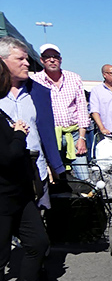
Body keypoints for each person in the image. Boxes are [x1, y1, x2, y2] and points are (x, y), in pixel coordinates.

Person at [0, 58, 60, 281]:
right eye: (20, 59)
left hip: (21, 190)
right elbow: (10, 154)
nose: (27, 64)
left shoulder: (31, 95)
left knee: (38, 241)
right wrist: (18, 135)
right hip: (2, 194)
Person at [0, 37, 65, 210]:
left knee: (37, 229)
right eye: (20, 59)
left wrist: (53, 165)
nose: (27, 63)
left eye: (27, 59)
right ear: (2, 61)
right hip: (5, 176)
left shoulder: (39, 93)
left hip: (37, 172)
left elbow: (47, 133)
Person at [31, 43, 90, 180]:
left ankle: (86, 199)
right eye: (47, 57)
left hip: (74, 134)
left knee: (84, 176)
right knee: (55, 176)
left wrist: (82, 138)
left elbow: (81, 108)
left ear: (60, 59)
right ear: (41, 60)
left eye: (55, 57)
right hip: (50, 135)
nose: (52, 60)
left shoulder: (74, 78)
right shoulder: (35, 81)